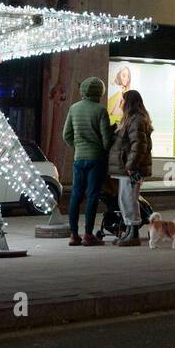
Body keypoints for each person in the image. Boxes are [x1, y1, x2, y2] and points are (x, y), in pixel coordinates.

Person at [63, 76, 112, 246]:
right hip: (96, 159)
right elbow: (107, 140)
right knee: (92, 196)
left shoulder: (73, 108)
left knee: (76, 196)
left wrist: (77, 148)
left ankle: (73, 235)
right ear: (100, 92)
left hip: (79, 159)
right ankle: (88, 235)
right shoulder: (101, 110)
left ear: (83, 90)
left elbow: (66, 135)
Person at [108, 89, 154, 246]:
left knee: (129, 199)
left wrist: (131, 166)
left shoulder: (136, 120)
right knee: (125, 199)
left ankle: (133, 233)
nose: (120, 103)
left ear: (129, 102)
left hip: (131, 169)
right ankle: (128, 231)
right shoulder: (131, 119)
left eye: (123, 100)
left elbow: (139, 145)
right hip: (126, 168)